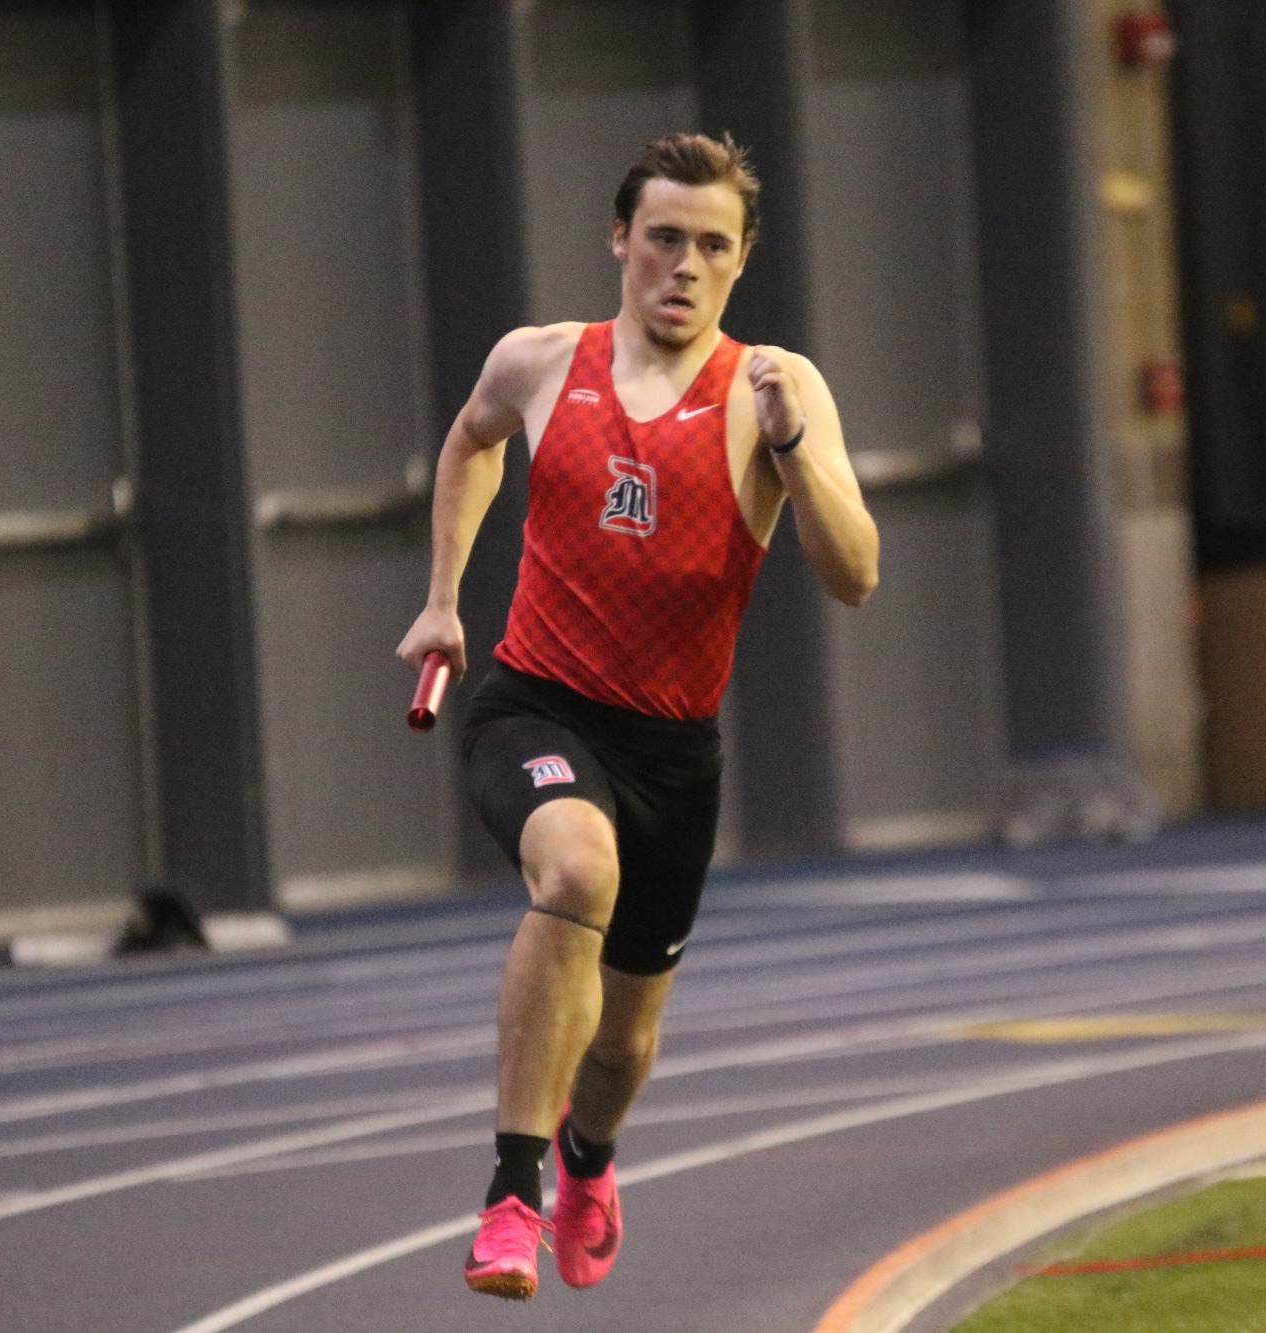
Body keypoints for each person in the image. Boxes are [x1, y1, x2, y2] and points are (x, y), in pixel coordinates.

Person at [396, 133, 880, 1301]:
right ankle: (511, 1193)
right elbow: (470, 441)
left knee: (621, 1047)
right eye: (663, 238)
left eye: (712, 247)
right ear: (620, 239)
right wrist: (442, 602)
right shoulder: (539, 360)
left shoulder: (775, 386)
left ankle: (586, 1156)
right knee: (571, 870)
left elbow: (854, 572)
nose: (683, 265)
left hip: (670, 752)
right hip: (534, 705)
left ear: (740, 260)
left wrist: (793, 453)